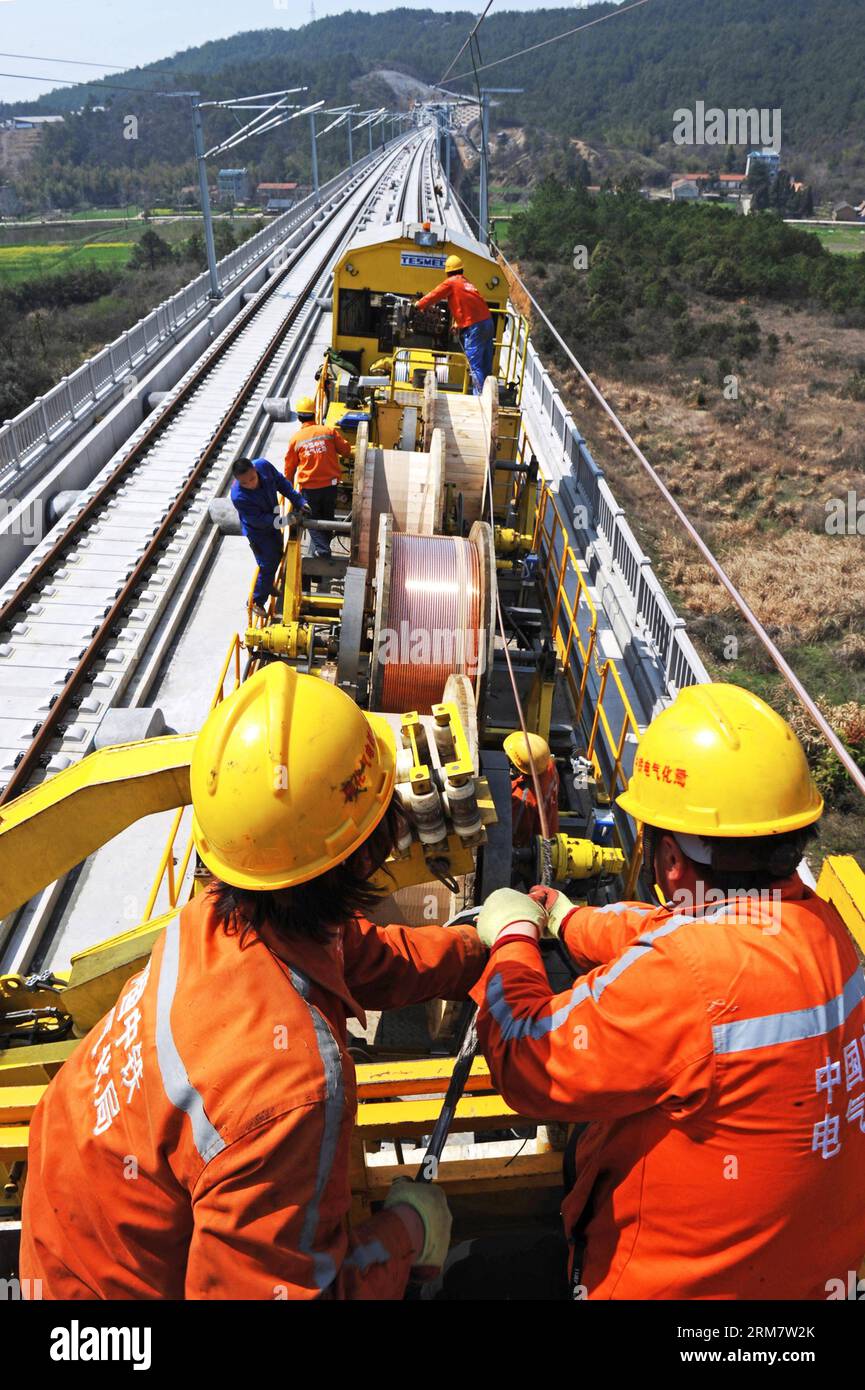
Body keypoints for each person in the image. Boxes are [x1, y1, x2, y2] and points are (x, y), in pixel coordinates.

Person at [20, 663, 486, 1300]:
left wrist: (469, 951)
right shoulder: (291, 1091)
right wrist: (408, 1232)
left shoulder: (209, 919)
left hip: (66, 1224)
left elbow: (349, 953)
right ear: (371, 852)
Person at [453, 683, 865, 1300]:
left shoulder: (684, 976)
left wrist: (512, 937)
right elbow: (686, 936)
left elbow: (526, 1058)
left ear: (670, 861)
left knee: (468, 1276)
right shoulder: (825, 931)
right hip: (809, 1280)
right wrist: (570, 919)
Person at [230, 456, 308, 617]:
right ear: (238, 481)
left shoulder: (263, 466)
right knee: (267, 562)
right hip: (258, 531)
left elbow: (281, 482)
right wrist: (287, 520)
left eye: (252, 478)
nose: (251, 484)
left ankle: (267, 584)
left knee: (278, 552)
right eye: (245, 483)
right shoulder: (239, 496)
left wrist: (298, 500)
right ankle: (256, 601)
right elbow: (259, 521)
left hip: (273, 512)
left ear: (255, 469)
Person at [283, 396, 352, 560]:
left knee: (310, 517)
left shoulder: (296, 440)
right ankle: (324, 546)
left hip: (310, 488)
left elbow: (289, 468)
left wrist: (289, 491)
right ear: (314, 414)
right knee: (327, 516)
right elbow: (346, 450)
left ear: (299, 417)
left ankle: (322, 550)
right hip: (331, 485)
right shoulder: (328, 431)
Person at [415, 254, 495, 394]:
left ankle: (481, 397)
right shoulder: (466, 283)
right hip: (488, 323)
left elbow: (435, 294)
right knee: (485, 363)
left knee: (474, 365)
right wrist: (458, 324)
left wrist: (419, 304)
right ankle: (490, 394)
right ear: (461, 271)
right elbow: (469, 307)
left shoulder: (451, 282)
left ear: (448, 272)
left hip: (476, 327)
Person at [504, 730, 560, 850]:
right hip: (552, 829)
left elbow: (516, 835)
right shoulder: (548, 765)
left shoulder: (524, 799)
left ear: (518, 768)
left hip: (538, 847)